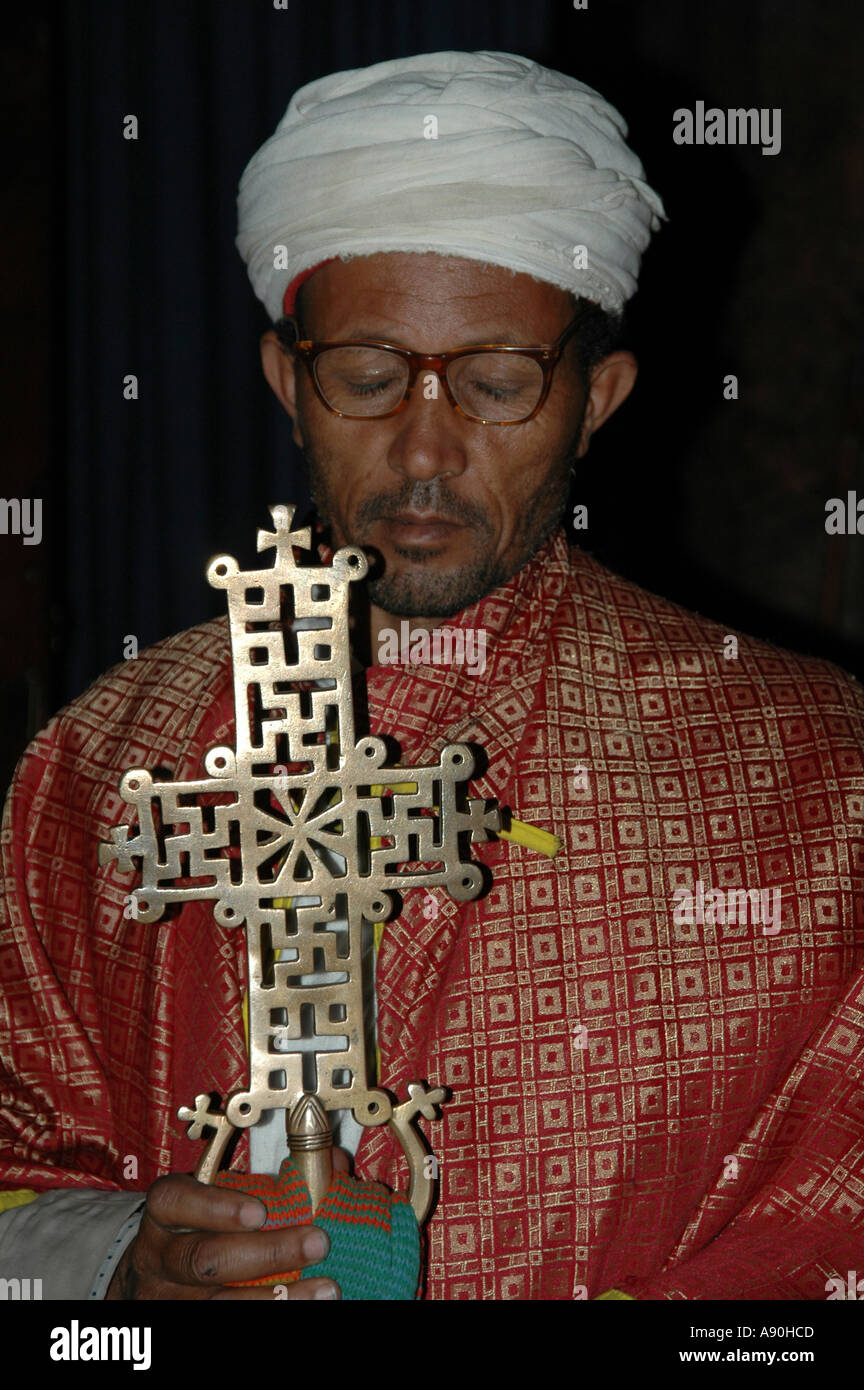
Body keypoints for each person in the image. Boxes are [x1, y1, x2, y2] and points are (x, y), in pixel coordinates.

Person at [1, 51, 862, 1302]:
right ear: (287, 382)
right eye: (365, 378)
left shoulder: (812, 788)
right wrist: (119, 1278)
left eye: (499, 385)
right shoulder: (101, 763)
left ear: (596, 399)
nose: (424, 449)